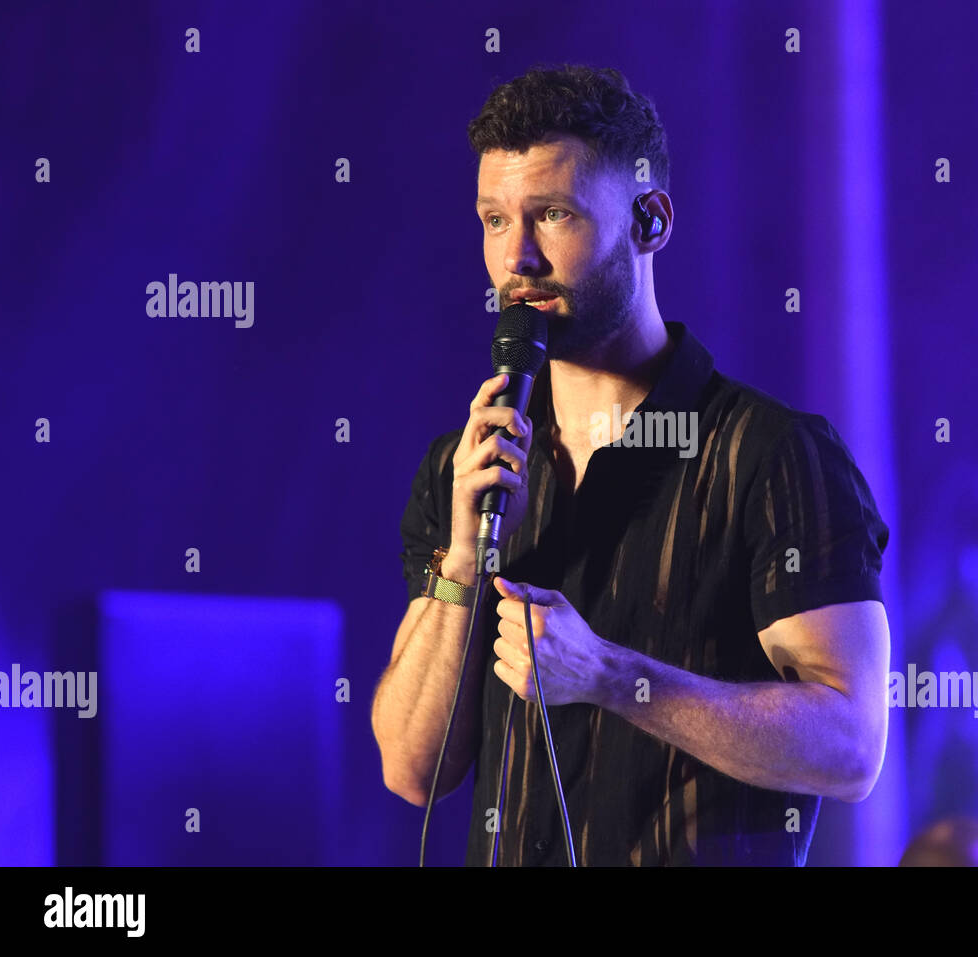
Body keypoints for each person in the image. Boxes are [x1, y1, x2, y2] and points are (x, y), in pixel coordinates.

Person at [371, 63, 891, 866]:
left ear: (649, 220)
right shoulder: (464, 468)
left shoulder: (771, 454)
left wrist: (611, 675)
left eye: (553, 214)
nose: (518, 258)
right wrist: (465, 560)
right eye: (494, 220)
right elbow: (411, 767)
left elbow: (849, 746)